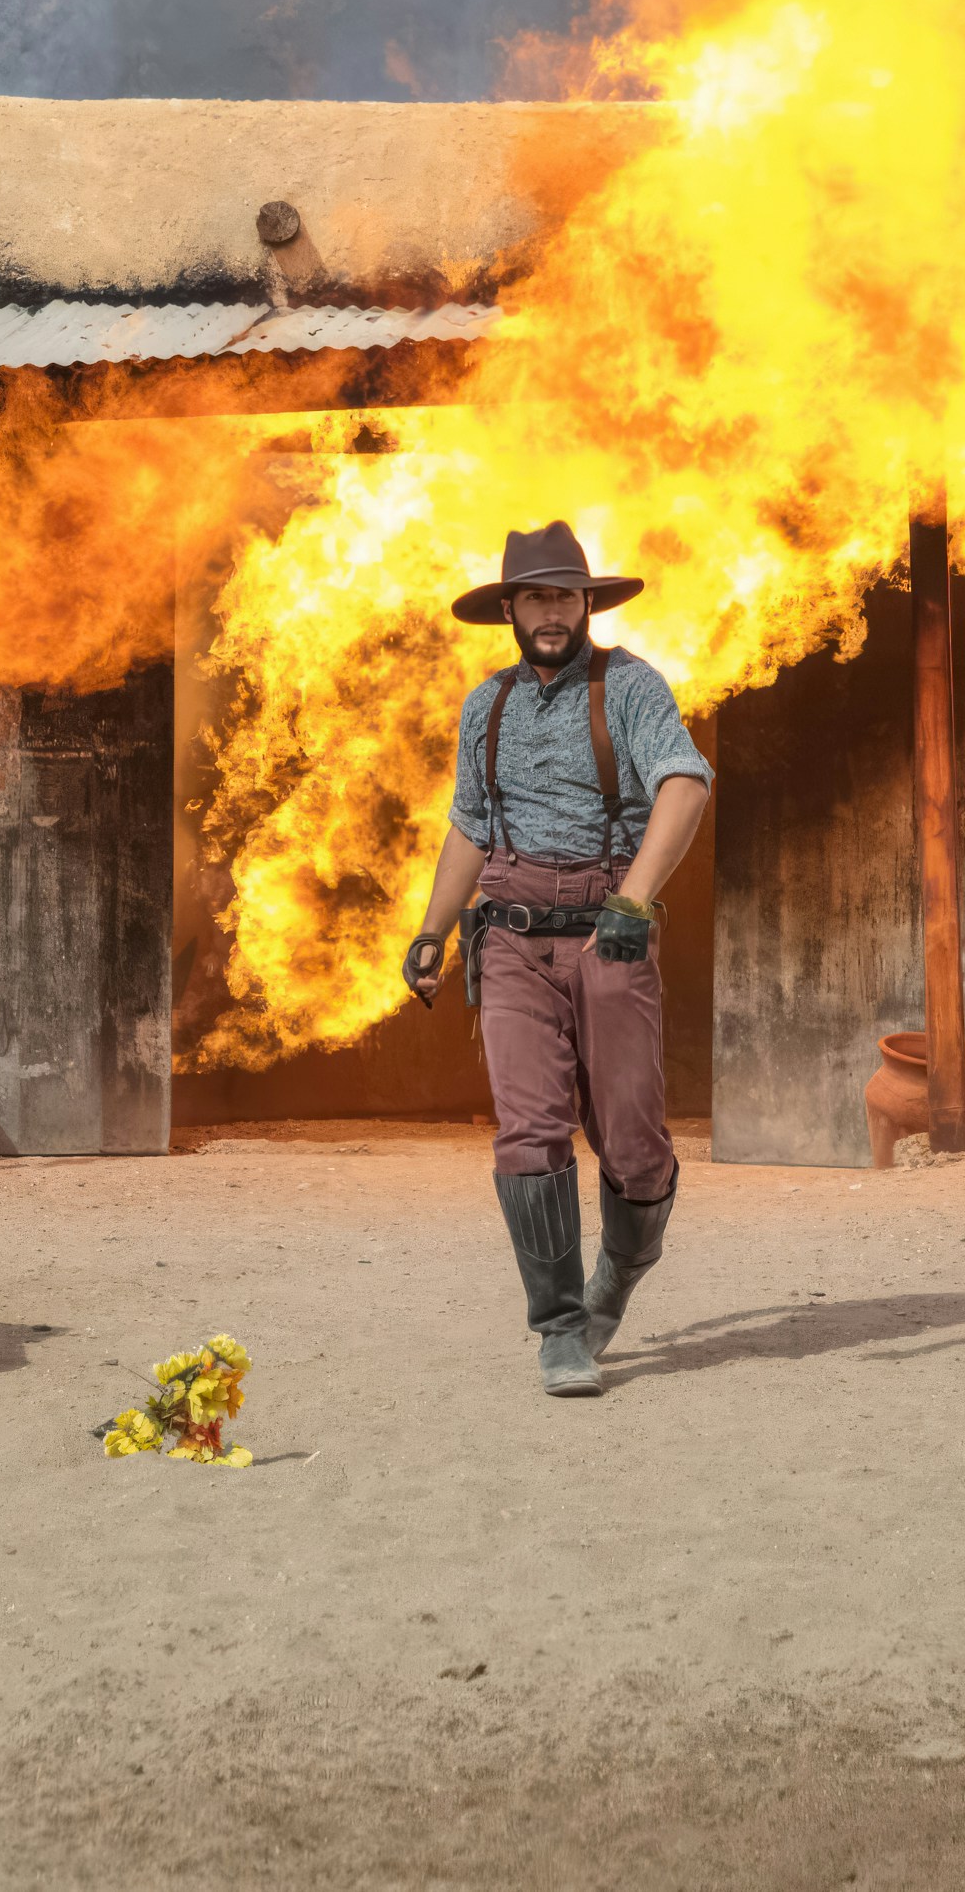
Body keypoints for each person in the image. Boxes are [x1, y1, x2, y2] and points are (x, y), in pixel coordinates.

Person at [400, 522, 713, 1397]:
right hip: (509, 937)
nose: (551, 612)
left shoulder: (630, 687)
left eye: (565, 596)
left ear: (586, 604)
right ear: (509, 608)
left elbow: (683, 784)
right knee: (528, 1133)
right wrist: (434, 931)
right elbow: (470, 823)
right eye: (535, 596)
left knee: (634, 1141)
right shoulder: (485, 704)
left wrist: (632, 901)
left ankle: (621, 1266)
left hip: (608, 926)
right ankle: (560, 1327)